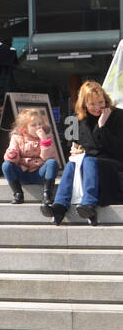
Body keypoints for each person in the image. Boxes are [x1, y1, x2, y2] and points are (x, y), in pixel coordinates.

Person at [44, 81, 123, 226]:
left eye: (101, 102)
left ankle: (88, 204)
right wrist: (78, 150)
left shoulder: (117, 116)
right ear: (84, 104)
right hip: (92, 163)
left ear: (106, 99)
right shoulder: (81, 119)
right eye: (92, 104)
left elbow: (115, 149)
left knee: (88, 160)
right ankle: (60, 206)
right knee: (73, 162)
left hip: (115, 165)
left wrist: (101, 126)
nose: (98, 107)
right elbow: (88, 147)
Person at [1, 108, 58, 205]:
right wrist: (12, 155)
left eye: (40, 124)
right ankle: (18, 194)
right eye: (33, 125)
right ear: (24, 128)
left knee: (52, 163)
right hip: (23, 173)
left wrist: (44, 141)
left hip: (39, 173)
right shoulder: (16, 137)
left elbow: (47, 158)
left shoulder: (48, 137)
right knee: (6, 165)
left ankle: (47, 195)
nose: (38, 127)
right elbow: (12, 159)